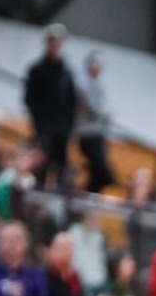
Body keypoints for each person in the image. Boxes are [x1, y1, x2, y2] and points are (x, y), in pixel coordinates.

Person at [23, 25, 77, 190]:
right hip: (44, 130)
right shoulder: (37, 69)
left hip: (62, 131)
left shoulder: (67, 71)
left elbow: (71, 102)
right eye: (53, 41)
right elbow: (29, 99)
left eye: (59, 42)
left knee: (62, 169)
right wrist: (41, 124)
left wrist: (68, 127)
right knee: (41, 166)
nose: (55, 45)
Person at [75, 50, 116, 193]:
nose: (97, 68)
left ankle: (88, 193)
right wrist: (100, 114)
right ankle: (87, 192)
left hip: (97, 135)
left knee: (102, 174)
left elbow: (106, 112)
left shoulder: (98, 86)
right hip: (88, 135)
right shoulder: (82, 85)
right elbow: (93, 111)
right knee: (104, 173)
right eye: (94, 65)